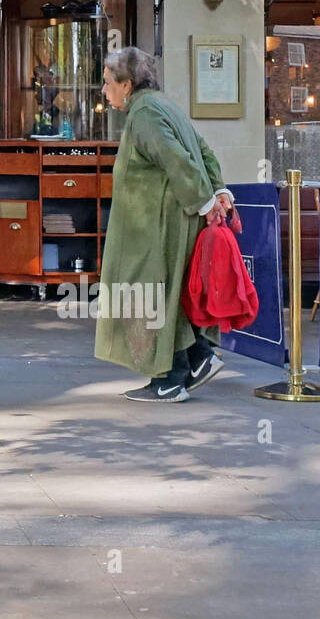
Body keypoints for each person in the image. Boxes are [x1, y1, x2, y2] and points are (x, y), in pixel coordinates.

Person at [95, 46, 233, 403]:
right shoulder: (164, 105)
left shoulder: (143, 114)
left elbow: (177, 160)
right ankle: (199, 359)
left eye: (108, 82)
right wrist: (215, 192)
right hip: (170, 219)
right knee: (167, 294)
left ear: (126, 84)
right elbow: (203, 151)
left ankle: (170, 379)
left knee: (147, 295)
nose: (104, 90)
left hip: (157, 225)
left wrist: (207, 202)